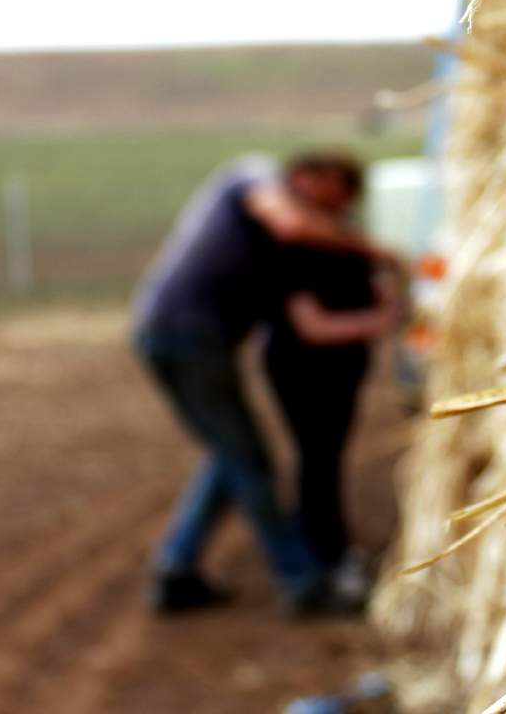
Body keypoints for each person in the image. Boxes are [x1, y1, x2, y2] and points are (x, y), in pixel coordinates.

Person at [130, 151, 396, 616]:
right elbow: (290, 224)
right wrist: (377, 251)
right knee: (250, 462)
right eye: (335, 196)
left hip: (189, 338)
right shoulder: (253, 175)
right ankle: (302, 583)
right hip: (187, 336)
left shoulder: (281, 233)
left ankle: (176, 568)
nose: (335, 211)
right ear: (307, 176)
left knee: (229, 457)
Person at [264, 246, 388, 595]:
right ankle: (323, 560)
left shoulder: (344, 239)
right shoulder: (296, 253)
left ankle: (330, 553)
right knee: (318, 462)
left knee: (324, 461)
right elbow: (312, 326)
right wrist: (383, 319)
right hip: (304, 373)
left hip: (337, 373)